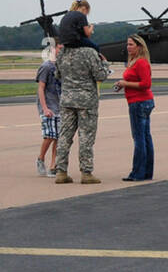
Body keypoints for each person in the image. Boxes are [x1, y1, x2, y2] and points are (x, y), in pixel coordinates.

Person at [53, 36, 112, 184]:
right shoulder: (89, 52)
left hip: (67, 99)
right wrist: (105, 63)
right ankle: (86, 172)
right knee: (86, 137)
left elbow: (57, 75)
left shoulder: (62, 52)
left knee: (64, 136)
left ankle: (61, 171)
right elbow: (100, 75)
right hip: (86, 100)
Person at [114, 34, 155, 181]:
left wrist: (125, 84)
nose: (128, 47)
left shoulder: (141, 63)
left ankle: (138, 173)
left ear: (139, 46)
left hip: (139, 102)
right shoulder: (134, 62)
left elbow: (146, 84)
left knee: (139, 138)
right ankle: (146, 172)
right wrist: (123, 84)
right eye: (127, 44)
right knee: (145, 137)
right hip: (139, 101)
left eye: (131, 44)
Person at [36, 42, 62, 177]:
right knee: (50, 135)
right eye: (59, 48)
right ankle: (40, 159)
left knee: (59, 137)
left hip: (60, 106)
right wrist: (44, 108)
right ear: (53, 48)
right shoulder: (46, 66)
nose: (61, 51)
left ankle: (53, 165)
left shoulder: (62, 66)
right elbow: (41, 87)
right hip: (48, 105)